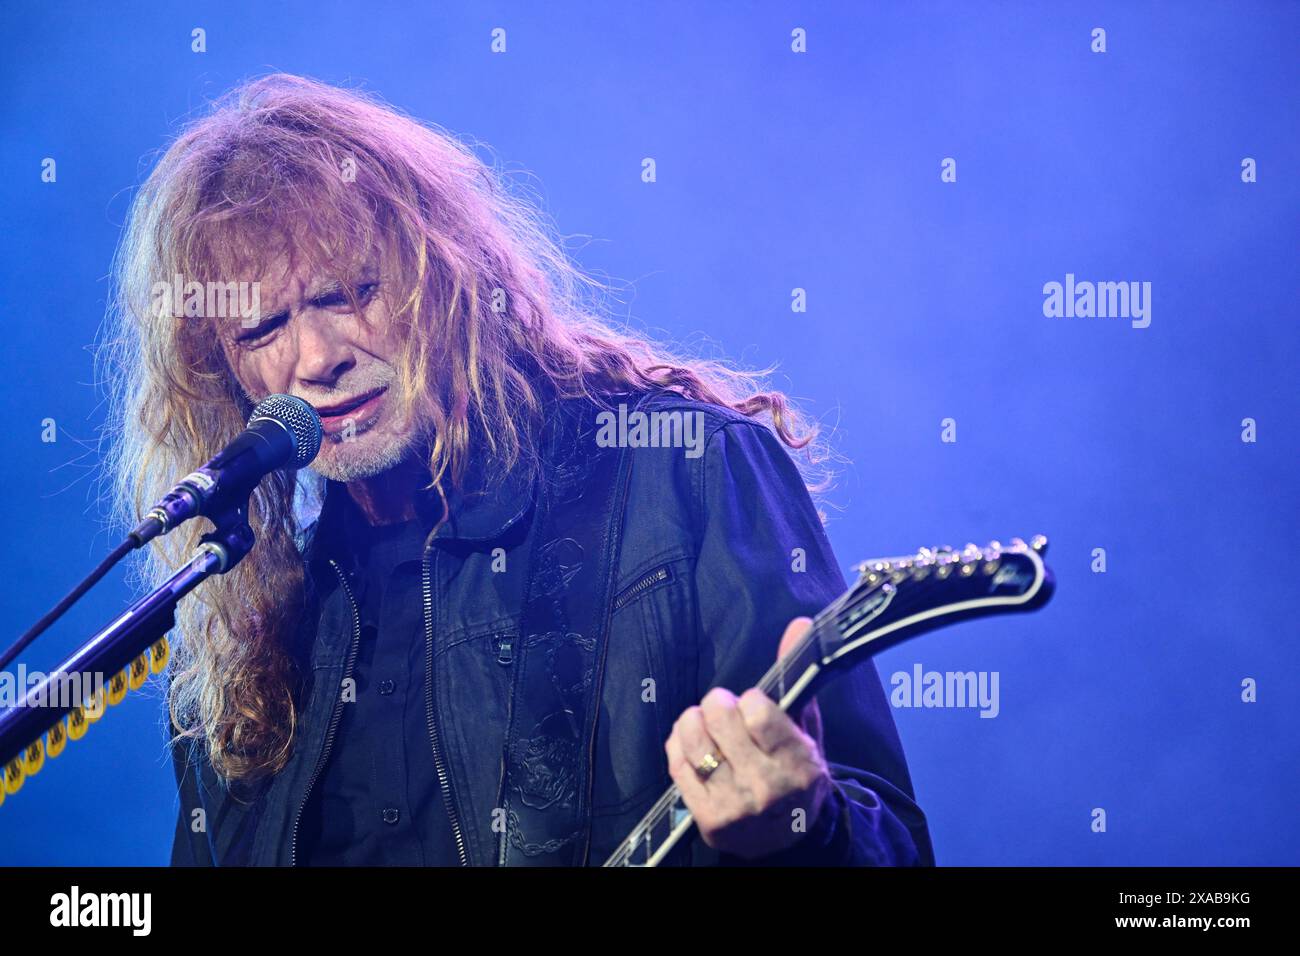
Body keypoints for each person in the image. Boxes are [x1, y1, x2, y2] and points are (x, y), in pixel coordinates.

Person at [100, 73, 934, 866]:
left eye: (349, 293)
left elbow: (893, 844)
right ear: (222, 373)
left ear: (442, 275)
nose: (317, 357)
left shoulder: (684, 478)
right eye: (262, 330)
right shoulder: (252, 630)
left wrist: (805, 828)